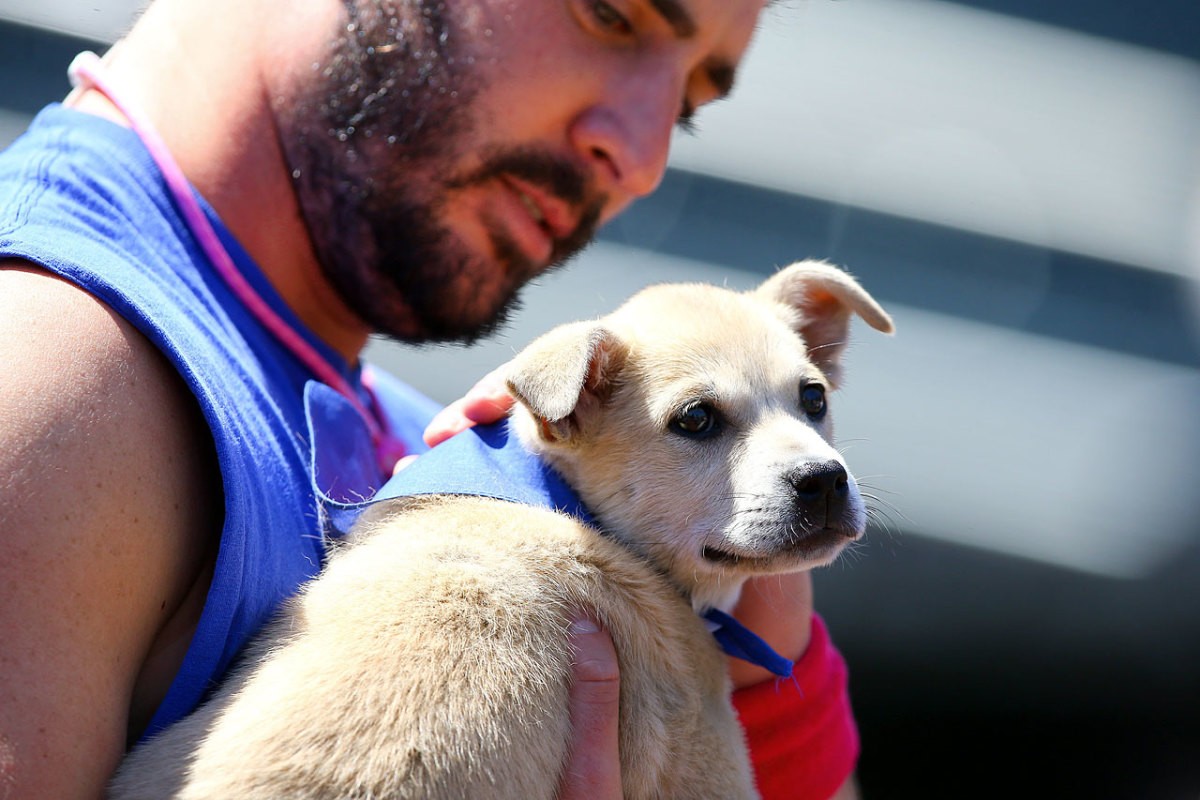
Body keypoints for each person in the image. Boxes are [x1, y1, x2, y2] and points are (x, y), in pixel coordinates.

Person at [0, 0, 858, 797]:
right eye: (608, 14)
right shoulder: (47, 380)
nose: (642, 159)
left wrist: (769, 642)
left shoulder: (483, 460)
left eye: (686, 106)